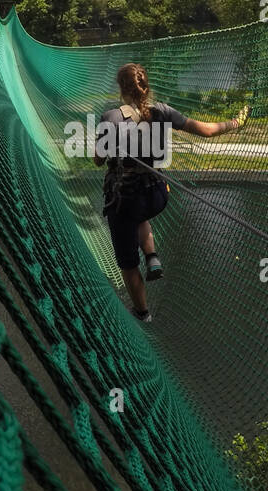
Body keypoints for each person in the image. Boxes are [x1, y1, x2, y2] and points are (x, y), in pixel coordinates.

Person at [93, 62, 249, 322]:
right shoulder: (162, 111)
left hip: (126, 201)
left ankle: (142, 313)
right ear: (146, 86)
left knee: (128, 263)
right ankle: (152, 257)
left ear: (121, 89)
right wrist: (235, 122)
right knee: (141, 215)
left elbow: (98, 160)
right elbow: (208, 131)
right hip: (156, 195)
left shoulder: (111, 118)